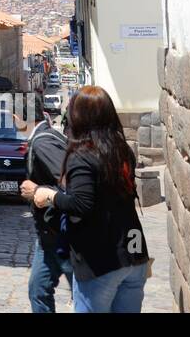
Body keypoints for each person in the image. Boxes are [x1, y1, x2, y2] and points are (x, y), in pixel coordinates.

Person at [23, 86, 150, 313]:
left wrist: (49, 195)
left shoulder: (82, 155)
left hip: (103, 259)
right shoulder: (122, 150)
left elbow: (82, 204)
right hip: (134, 251)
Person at [20, 108, 73, 312]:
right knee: (38, 290)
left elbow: (69, 185)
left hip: (60, 235)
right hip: (48, 236)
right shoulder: (45, 137)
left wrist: (38, 192)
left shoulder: (42, 143)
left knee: (82, 294)